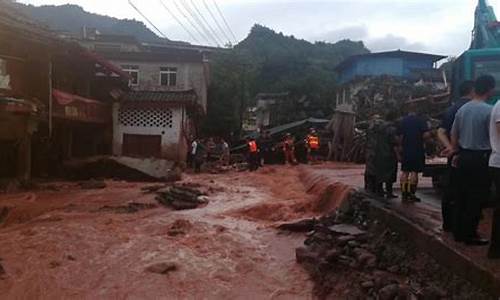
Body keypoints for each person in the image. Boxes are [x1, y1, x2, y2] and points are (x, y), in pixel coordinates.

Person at [451, 75, 495, 246]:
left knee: (462, 195)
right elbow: (493, 136)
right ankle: (470, 234)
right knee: (476, 197)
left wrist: (455, 152)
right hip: (480, 158)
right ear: (490, 89)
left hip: (463, 156)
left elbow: (454, 133)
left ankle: (458, 232)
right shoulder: (489, 110)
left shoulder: (462, 109)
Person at [437, 81, 475, 232]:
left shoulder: (451, 109)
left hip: (454, 155)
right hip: (469, 154)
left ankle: (448, 224)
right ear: (472, 90)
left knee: (451, 189)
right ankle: (463, 227)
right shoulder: (472, 108)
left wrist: (450, 147)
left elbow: (440, 131)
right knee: (468, 191)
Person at [397, 104, 431, 203]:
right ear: (416, 111)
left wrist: (400, 148)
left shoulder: (402, 121)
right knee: (414, 172)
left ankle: (404, 193)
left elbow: (400, 137)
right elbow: (425, 135)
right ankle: (411, 194)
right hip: (417, 149)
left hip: (406, 149)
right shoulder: (421, 120)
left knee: (405, 171)